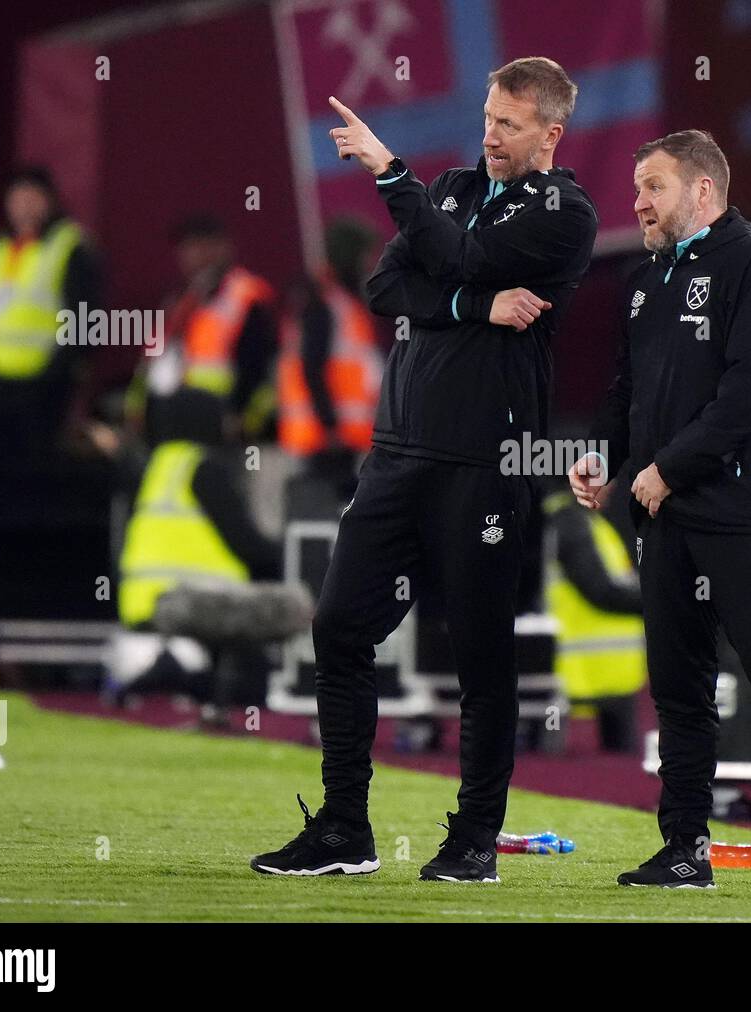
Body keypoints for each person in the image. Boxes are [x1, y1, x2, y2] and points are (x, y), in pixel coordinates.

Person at [251, 57, 598, 883]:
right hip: (397, 453)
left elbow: (464, 257)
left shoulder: (565, 211)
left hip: (486, 462)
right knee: (338, 628)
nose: (489, 134)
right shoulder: (450, 188)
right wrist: (474, 307)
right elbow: (386, 283)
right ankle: (344, 828)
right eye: (487, 115)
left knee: (479, 655)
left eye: (508, 124)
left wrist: (393, 176)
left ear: (550, 133)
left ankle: (475, 839)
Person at [570, 130, 751, 893]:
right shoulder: (644, 282)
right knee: (677, 686)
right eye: (637, 187)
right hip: (663, 513)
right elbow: (625, 389)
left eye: (653, 187)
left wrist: (668, 468)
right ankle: (684, 848)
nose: (637, 201)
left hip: (744, 511)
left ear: (702, 191)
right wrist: (600, 453)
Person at [115, 386, 280, 705]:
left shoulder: (153, 467)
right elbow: (250, 547)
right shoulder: (204, 469)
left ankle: (176, 677)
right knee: (288, 611)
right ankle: (213, 687)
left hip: (142, 607)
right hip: (194, 608)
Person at [0, 166, 103, 459]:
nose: (24, 207)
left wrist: (58, 372)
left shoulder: (71, 246)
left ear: (50, 200)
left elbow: (87, 320)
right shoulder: (2, 248)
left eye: (32, 198)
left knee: (36, 471)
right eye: (16, 199)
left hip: (41, 388)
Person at [129, 215, 276, 442]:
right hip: (172, 420)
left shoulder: (245, 296)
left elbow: (257, 366)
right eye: (187, 248)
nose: (191, 255)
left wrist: (240, 416)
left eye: (200, 246)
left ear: (223, 248)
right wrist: (141, 409)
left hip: (223, 423)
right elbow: (154, 362)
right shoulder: (180, 302)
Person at [277, 217, 384, 499]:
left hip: (339, 438)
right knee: (330, 517)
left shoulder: (339, 301)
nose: (371, 264)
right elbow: (312, 368)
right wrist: (331, 427)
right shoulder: (323, 303)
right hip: (325, 440)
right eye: (366, 255)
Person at [543, 480, 646, 752]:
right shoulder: (570, 522)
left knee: (614, 774)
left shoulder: (589, 522)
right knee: (561, 773)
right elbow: (601, 590)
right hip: (579, 672)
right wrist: (660, 600)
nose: (611, 488)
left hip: (606, 674)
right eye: (604, 481)